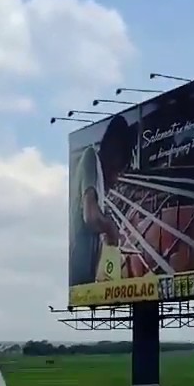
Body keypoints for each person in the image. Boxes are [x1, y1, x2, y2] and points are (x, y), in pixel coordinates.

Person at [69, 115, 132, 286]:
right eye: (118, 170)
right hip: (77, 275)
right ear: (114, 153)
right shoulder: (90, 157)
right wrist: (110, 228)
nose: (116, 179)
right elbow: (91, 217)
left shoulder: (98, 183)